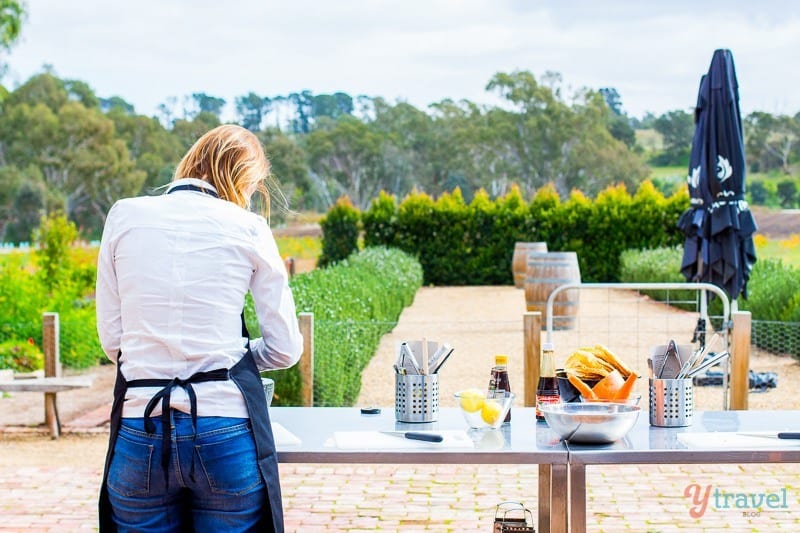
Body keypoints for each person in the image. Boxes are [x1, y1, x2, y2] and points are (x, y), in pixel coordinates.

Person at [95, 124, 303, 532]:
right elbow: (285, 349)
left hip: (141, 423)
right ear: (242, 178)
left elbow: (114, 342)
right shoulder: (248, 227)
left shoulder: (123, 214)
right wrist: (233, 361)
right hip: (225, 428)